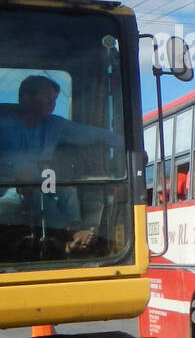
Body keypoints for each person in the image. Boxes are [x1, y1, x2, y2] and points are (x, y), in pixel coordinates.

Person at [0, 75, 118, 253]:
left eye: (54, 99)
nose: (52, 103)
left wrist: (130, 146)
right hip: (8, 189)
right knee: (40, 198)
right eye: (47, 97)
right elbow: (17, 164)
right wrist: (21, 177)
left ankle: (74, 234)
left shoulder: (54, 125)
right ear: (25, 97)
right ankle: (73, 238)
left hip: (40, 183)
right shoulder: (5, 128)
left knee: (67, 190)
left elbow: (95, 135)